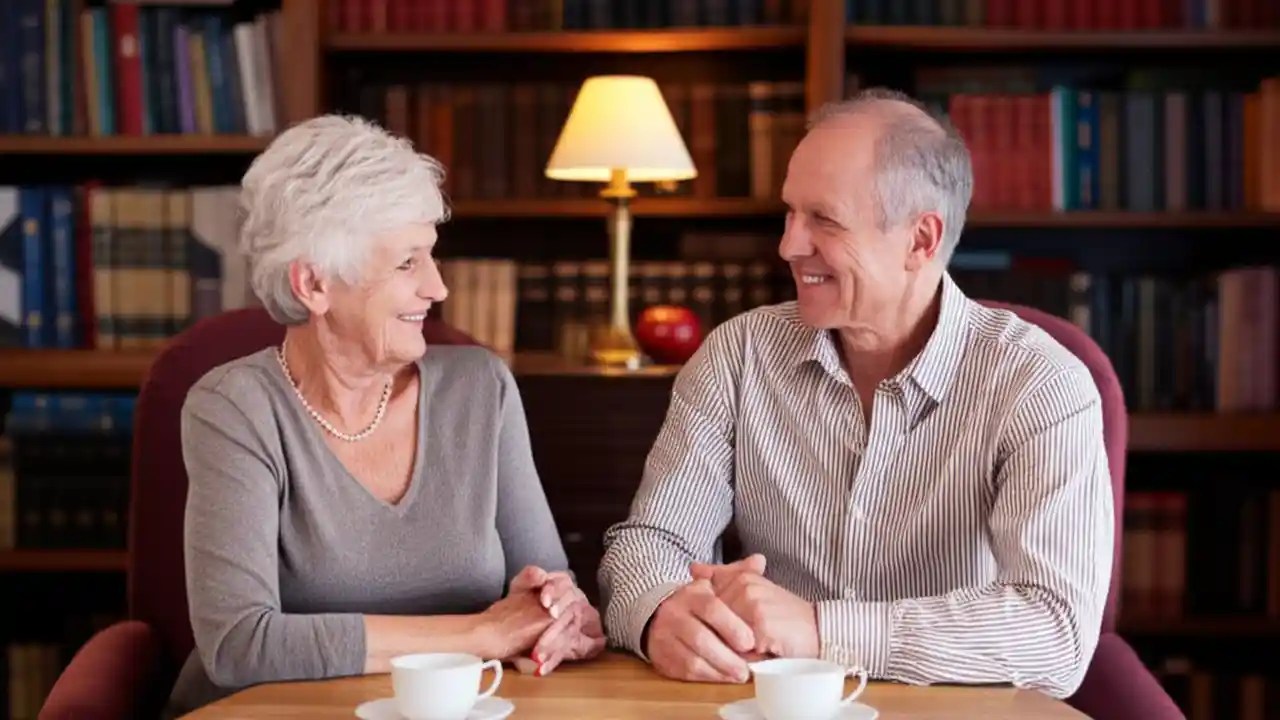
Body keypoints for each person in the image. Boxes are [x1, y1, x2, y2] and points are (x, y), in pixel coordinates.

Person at [597, 88, 1113, 700]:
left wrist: (822, 631)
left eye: (825, 219)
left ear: (920, 241)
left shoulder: (1041, 383)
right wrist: (662, 612)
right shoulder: (739, 354)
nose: (790, 245)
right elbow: (650, 543)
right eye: (790, 213)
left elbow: (1054, 631)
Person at [166, 115, 604, 717]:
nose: (438, 287)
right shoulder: (235, 409)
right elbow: (239, 645)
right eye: (407, 263)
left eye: (432, 256)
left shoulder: (481, 390)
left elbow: (548, 592)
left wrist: (560, 614)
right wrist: (480, 635)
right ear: (313, 284)